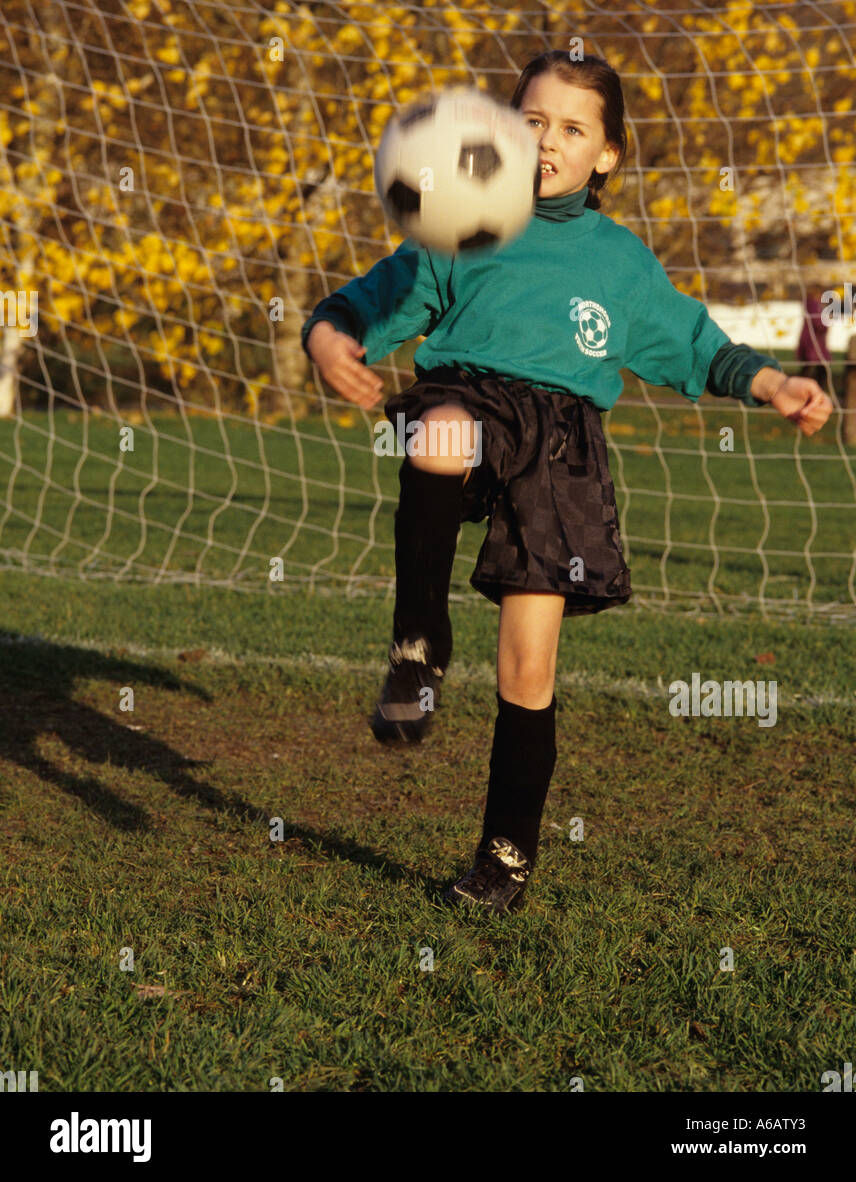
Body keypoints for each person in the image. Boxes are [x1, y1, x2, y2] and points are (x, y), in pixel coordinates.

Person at [301, 50, 832, 915]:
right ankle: (418, 646)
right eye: (533, 121)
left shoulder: (620, 265)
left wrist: (775, 385)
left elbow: (697, 345)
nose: (548, 142)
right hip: (469, 399)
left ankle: (502, 861)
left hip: (561, 449)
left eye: (573, 128)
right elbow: (357, 305)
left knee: (529, 664)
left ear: (608, 155)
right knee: (438, 427)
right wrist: (330, 341)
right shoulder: (462, 222)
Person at [796, 284, 832, 394]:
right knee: (818, 369)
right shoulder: (814, 305)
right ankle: (814, 392)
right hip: (814, 344)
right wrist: (827, 320)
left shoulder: (808, 304)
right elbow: (819, 324)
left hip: (810, 342)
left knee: (810, 368)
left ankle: (803, 391)